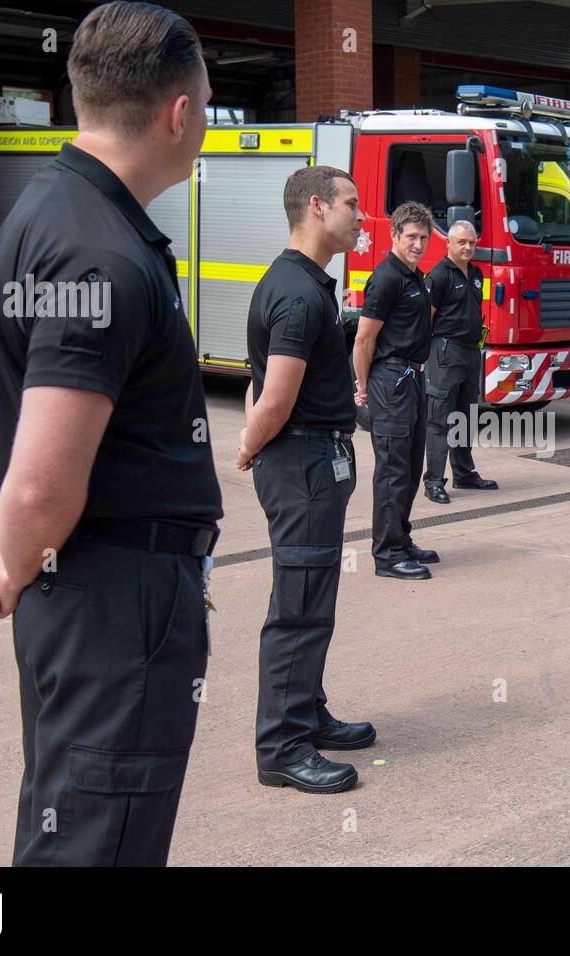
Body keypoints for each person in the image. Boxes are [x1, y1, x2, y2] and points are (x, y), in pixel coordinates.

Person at [0, 1, 221, 866]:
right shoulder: (99, 250)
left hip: (89, 592)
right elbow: (42, 482)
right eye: (206, 103)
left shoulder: (53, 210)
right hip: (115, 604)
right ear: (179, 113)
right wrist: (13, 559)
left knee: (73, 821)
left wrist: (2, 548)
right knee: (100, 840)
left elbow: (25, 436)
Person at [237, 165, 372, 795]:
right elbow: (273, 397)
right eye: (351, 204)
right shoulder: (295, 291)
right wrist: (250, 446)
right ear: (315, 208)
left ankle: (306, 712)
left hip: (315, 461)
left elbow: (256, 380)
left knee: (314, 598)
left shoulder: (303, 283)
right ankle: (283, 746)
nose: (360, 216)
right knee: (298, 605)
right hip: (302, 463)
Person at [353, 201, 440, 580]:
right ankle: (387, 556)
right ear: (394, 235)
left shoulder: (414, 277)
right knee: (392, 470)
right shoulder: (386, 278)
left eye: (423, 237)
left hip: (413, 378)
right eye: (411, 237)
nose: (418, 244)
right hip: (391, 379)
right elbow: (363, 339)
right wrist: (362, 385)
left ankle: (400, 539)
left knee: (410, 467)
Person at [422, 220, 498, 504]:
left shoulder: (476, 273)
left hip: (469, 352)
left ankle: (464, 473)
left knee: (465, 417)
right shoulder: (439, 275)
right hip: (445, 351)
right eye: (462, 242)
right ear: (449, 244)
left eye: (472, 242)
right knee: (440, 418)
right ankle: (433, 481)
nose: (467, 247)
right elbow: (426, 316)